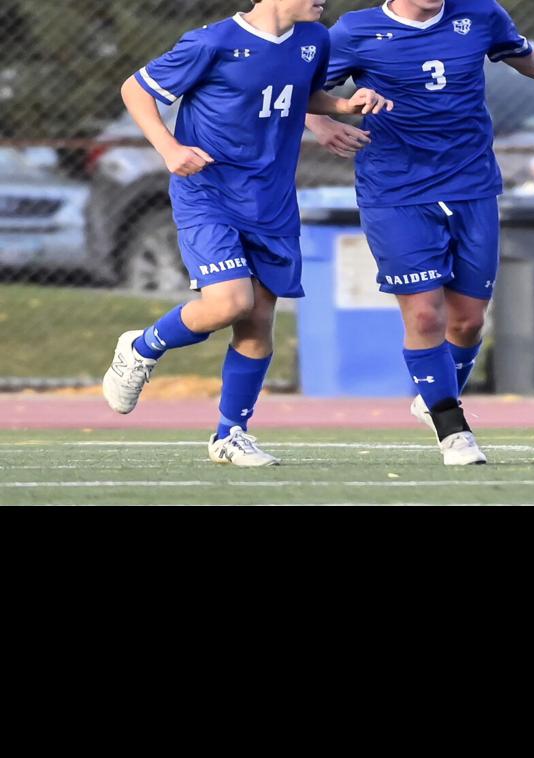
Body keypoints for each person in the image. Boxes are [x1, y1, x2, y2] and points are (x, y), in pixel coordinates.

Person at [102, 0, 392, 467]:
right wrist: (169, 148)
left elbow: (298, 94)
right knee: (230, 303)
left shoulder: (313, 39)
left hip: (272, 201)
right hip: (209, 194)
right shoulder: (212, 41)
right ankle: (141, 347)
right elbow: (136, 90)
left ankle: (230, 434)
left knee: (257, 320)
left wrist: (343, 105)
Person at [306, 0, 534, 465]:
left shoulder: (482, 15)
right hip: (396, 189)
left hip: (471, 184)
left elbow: (532, 62)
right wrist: (321, 122)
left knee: (468, 322)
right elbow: (303, 88)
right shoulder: (355, 30)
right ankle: (452, 426)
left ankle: (433, 395)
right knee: (426, 316)